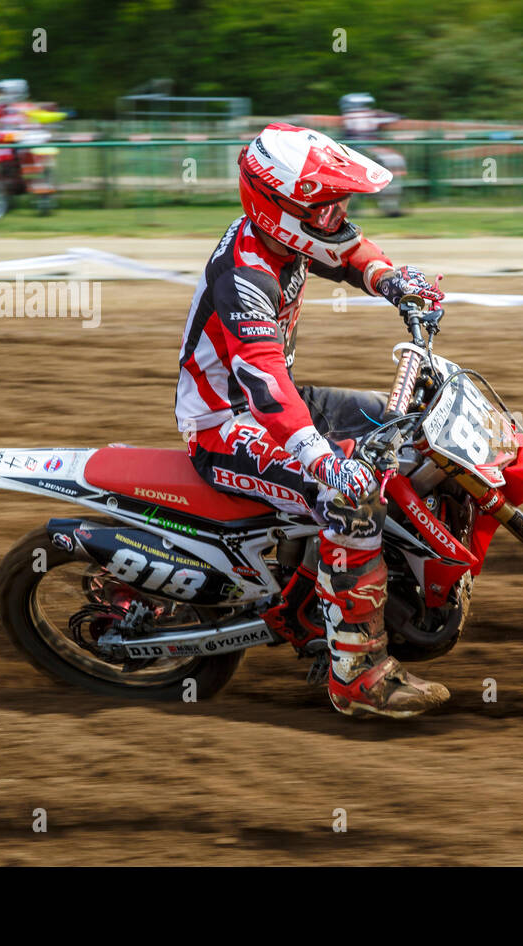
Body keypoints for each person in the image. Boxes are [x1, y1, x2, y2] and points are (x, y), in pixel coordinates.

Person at [175, 122, 448, 718]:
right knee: (350, 497)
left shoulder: (286, 236)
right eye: (325, 205)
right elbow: (263, 379)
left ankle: (366, 589)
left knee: (419, 426)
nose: (338, 214)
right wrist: (320, 458)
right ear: (279, 205)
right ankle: (356, 672)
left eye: (339, 202)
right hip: (227, 423)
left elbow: (349, 252)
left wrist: (396, 282)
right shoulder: (243, 273)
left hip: (279, 402)